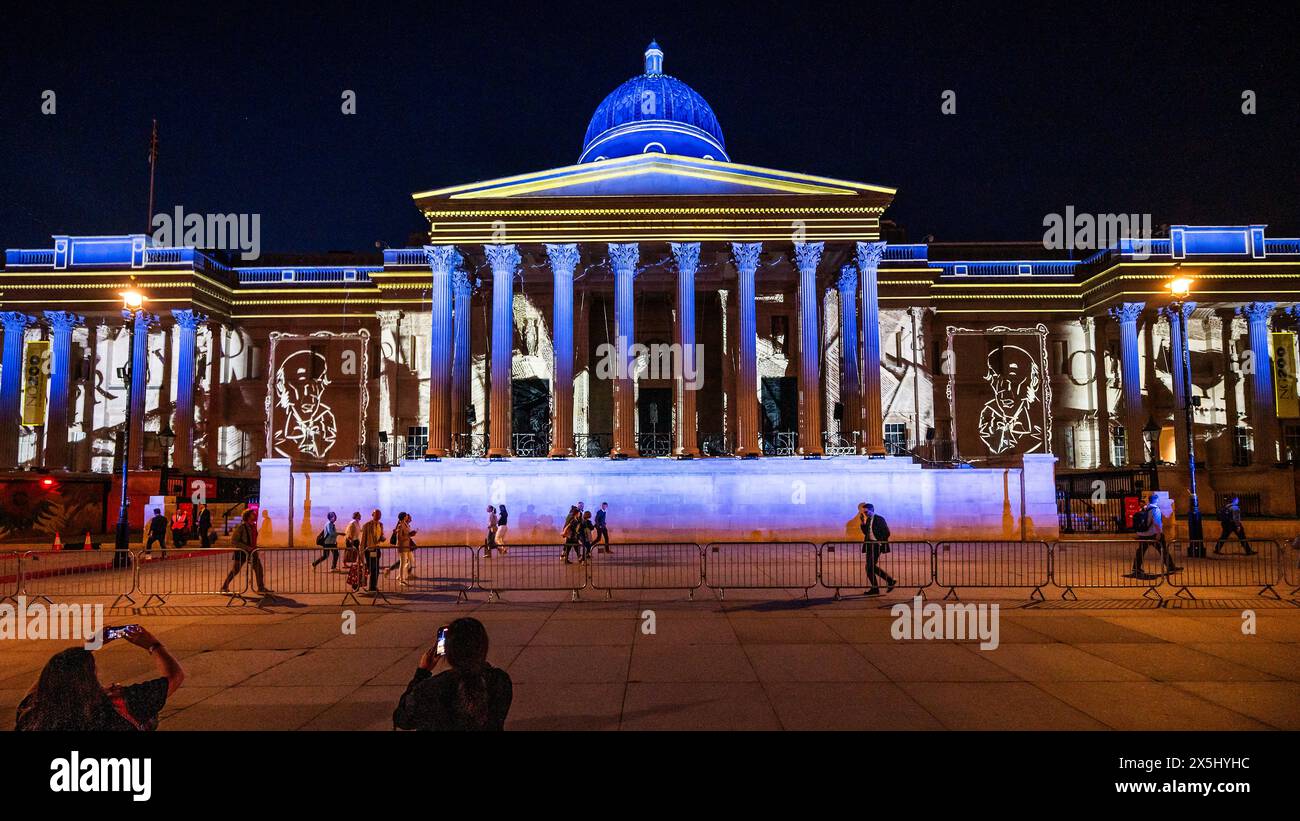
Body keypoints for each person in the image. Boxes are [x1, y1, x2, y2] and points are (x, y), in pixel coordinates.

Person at [15, 626, 185, 731]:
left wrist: (86, 649)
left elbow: (42, 686)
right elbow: (175, 676)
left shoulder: (32, 714)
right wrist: (152, 645)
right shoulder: (119, 705)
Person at [393, 618, 513, 731]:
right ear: (483, 648)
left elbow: (402, 719)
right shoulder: (500, 680)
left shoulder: (430, 689)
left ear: (449, 652)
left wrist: (421, 673)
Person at [221, 509, 272, 594]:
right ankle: (224, 587)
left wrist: (256, 547)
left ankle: (261, 587)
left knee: (259, 568)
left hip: (252, 552)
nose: (255, 515)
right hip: (242, 552)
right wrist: (246, 547)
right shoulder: (241, 527)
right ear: (248, 516)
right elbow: (234, 541)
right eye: (253, 514)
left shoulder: (253, 526)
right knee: (235, 570)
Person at [1131, 494, 1181, 576]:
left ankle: (1136, 568)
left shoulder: (1145, 508)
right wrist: (1159, 534)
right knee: (1163, 550)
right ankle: (1170, 567)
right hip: (1153, 534)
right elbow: (1157, 523)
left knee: (1141, 551)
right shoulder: (1156, 509)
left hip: (1143, 534)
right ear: (1156, 501)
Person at [859, 502, 896, 595]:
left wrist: (880, 541)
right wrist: (863, 523)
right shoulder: (868, 520)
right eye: (864, 512)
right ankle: (879, 586)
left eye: (866, 512)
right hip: (869, 545)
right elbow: (866, 533)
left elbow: (887, 532)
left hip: (876, 545)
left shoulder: (879, 519)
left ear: (872, 510)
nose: (865, 514)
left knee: (870, 567)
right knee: (869, 567)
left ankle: (885, 583)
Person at [361, 509, 385, 595]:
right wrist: (361, 553)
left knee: (377, 569)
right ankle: (371, 588)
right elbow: (363, 540)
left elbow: (381, 535)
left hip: (377, 549)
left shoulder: (380, 525)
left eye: (380, 514)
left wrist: (382, 538)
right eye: (377, 514)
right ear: (372, 514)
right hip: (369, 550)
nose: (378, 516)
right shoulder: (367, 525)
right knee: (372, 569)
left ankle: (373, 586)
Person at [392, 512, 418, 586]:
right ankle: (401, 580)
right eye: (406, 515)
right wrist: (409, 535)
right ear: (404, 517)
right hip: (402, 546)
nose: (407, 516)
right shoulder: (400, 525)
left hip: (406, 546)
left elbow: (406, 535)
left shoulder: (405, 524)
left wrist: (411, 534)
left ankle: (401, 576)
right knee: (403, 563)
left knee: (405, 562)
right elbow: (399, 538)